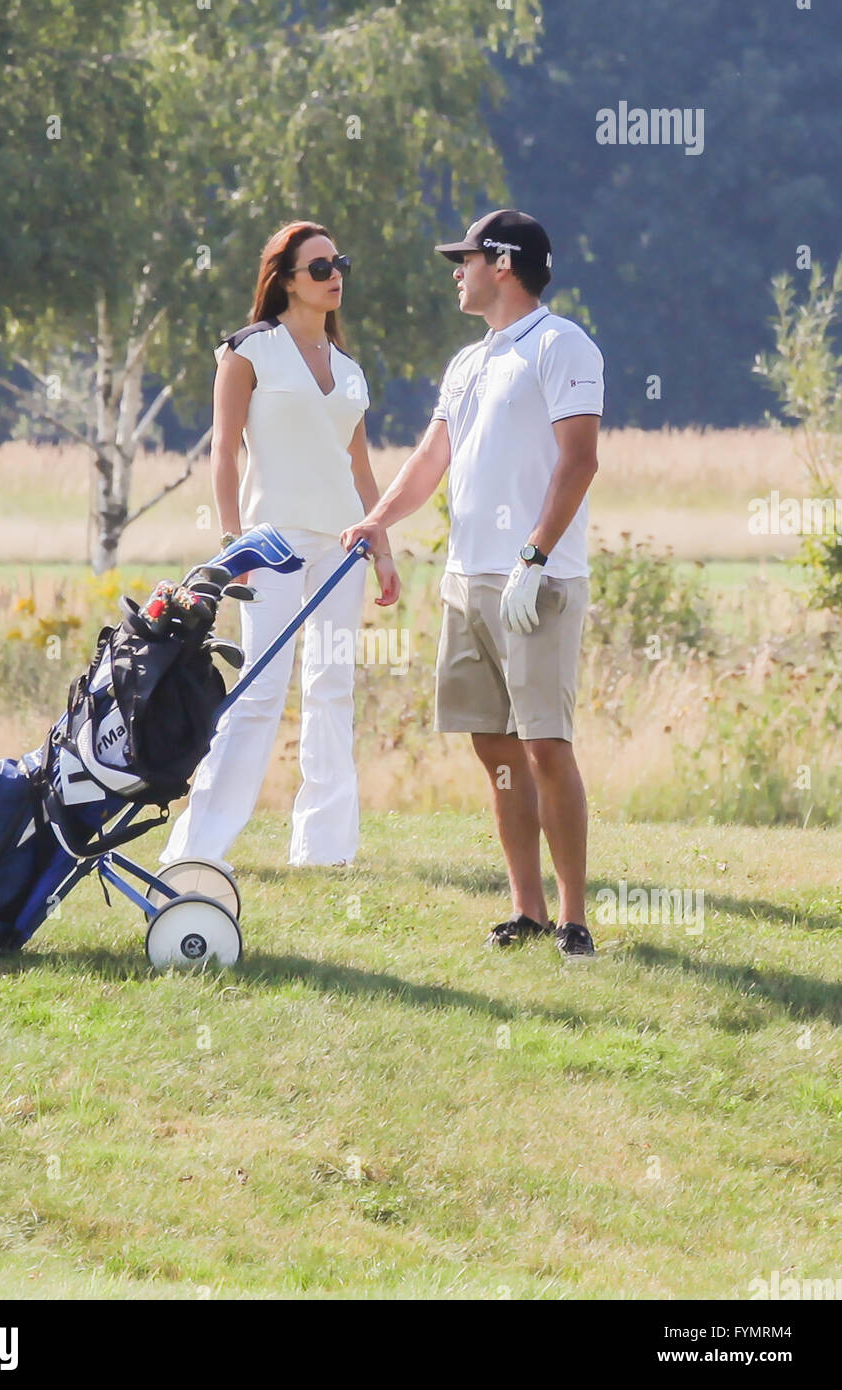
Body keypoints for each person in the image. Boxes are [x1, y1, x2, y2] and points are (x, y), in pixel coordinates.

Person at [341, 209, 603, 958]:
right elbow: (429, 461)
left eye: (466, 259)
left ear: (503, 264)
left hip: (535, 583)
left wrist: (533, 556)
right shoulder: (468, 362)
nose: (457, 271)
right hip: (465, 580)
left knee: (545, 746)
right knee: (494, 749)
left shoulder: (562, 346)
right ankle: (527, 909)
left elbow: (578, 461)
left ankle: (574, 916)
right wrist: (376, 520)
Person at [162, 220, 400, 870]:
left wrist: (381, 543)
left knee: (331, 687)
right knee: (261, 690)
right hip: (271, 545)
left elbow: (358, 465)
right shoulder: (248, 351)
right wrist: (231, 542)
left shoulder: (350, 371)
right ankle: (198, 849)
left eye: (338, 263)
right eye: (319, 267)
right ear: (285, 280)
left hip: (343, 546)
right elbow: (223, 451)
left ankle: (324, 851)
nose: (334, 276)